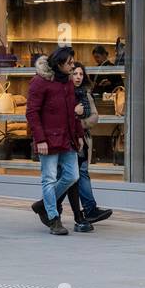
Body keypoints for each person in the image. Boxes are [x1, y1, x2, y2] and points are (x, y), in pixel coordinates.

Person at [26, 47, 86, 236]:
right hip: (48, 139)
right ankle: (53, 218)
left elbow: (72, 112)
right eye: (69, 62)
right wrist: (40, 139)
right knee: (49, 179)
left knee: (72, 176)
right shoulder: (40, 82)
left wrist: (78, 135)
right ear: (59, 64)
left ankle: (44, 204)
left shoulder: (67, 83)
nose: (72, 65)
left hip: (67, 138)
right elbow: (32, 113)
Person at [50, 65, 114, 232]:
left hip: (82, 141)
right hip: (66, 141)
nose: (78, 76)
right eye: (74, 73)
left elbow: (94, 116)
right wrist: (74, 116)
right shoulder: (63, 92)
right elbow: (58, 116)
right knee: (68, 177)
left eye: (81, 74)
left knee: (79, 175)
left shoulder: (85, 93)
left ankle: (83, 211)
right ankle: (53, 209)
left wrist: (80, 124)